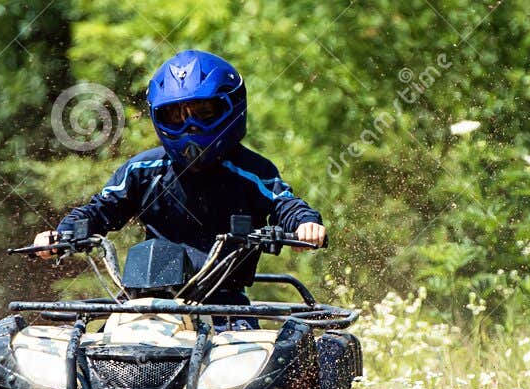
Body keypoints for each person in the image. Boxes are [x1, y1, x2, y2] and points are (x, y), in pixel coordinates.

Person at [35, 49, 326, 305]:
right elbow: (100, 210)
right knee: (86, 355)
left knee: (275, 359)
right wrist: (63, 233)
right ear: (158, 118)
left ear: (231, 106)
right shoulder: (141, 171)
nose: (191, 125)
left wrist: (306, 225)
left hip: (226, 311)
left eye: (203, 111)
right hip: (145, 306)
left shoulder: (252, 171)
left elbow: (285, 204)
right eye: (176, 115)